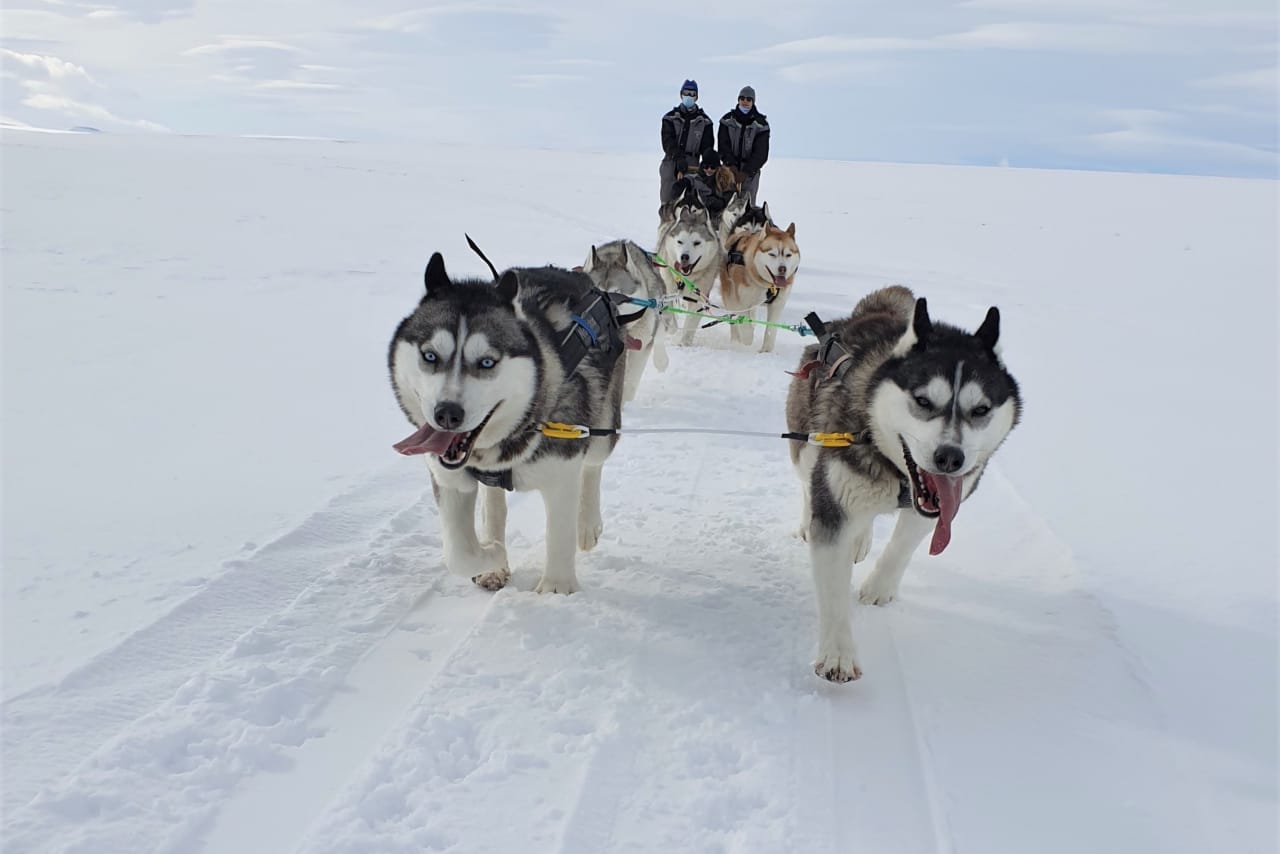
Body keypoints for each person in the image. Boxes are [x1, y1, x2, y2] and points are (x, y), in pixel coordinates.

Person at [659, 79, 714, 203]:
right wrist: (678, 157)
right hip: (671, 162)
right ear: (681, 94)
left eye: (692, 94)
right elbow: (667, 141)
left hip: (693, 165)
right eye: (686, 93)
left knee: (690, 204)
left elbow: (707, 147)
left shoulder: (705, 122)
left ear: (697, 97)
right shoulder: (669, 118)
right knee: (668, 203)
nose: (689, 96)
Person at [717, 85, 769, 204]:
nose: (745, 101)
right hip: (729, 172)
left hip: (750, 174)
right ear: (738, 100)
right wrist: (732, 167)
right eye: (742, 98)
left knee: (747, 208)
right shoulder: (727, 120)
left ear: (753, 102)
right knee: (726, 206)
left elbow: (761, 153)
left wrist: (746, 172)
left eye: (748, 99)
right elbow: (723, 145)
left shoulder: (761, 125)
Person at [670, 150, 730, 222]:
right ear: (702, 166)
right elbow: (676, 189)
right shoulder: (695, 179)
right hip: (697, 217)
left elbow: (731, 196)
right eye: (706, 166)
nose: (709, 169)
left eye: (712, 167)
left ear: (717, 167)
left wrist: (720, 202)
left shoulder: (725, 179)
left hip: (718, 218)